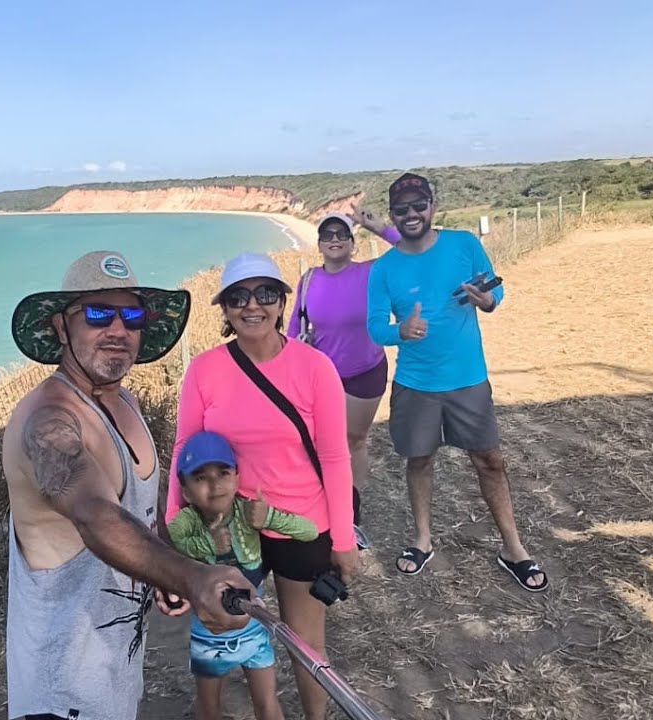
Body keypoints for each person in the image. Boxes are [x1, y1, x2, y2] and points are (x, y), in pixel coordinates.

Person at [3, 250, 258, 720]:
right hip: (60, 694)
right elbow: (95, 514)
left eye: (132, 316)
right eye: (98, 313)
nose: (117, 329)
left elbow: (136, 505)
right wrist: (193, 576)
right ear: (61, 327)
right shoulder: (49, 422)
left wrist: (162, 565)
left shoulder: (124, 402)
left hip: (114, 672)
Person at [167, 251, 357, 720]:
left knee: (305, 645)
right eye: (238, 296)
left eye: (265, 293)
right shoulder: (205, 370)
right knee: (220, 637)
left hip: (299, 525)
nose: (253, 305)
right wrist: (174, 534)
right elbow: (182, 449)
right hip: (225, 528)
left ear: (282, 303)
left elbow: (334, 456)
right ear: (225, 309)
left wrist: (344, 537)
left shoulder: (314, 367)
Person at [365, 173, 550, 593]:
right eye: (401, 209)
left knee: (490, 461)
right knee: (420, 460)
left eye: (418, 205)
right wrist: (401, 332)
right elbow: (375, 328)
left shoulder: (464, 244)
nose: (411, 214)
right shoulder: (383, 269)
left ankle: (513, 548)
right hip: (415, 383)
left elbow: (492, 290)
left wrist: (490, 301)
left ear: (432, 205)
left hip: (468, 379)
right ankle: (422, 541)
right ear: (392, 214)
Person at [167, 431, 319, 720]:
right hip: (209, 631)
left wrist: (269, 518)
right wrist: (207, 544)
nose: (214, 485)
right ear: (185, 491)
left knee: (267, 702)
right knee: (209, 707)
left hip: (254, 624)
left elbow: (309, 531)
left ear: (237, 478)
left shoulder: (248, 512)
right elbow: (174, 542)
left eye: (223, 473)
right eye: (200, 477)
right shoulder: (188, 521)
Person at [286, 212, 399, 550]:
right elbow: (293, 329)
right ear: (319, 244)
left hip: (365, 371)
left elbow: (407, 249)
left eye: (341, 234)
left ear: (352, 242)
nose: (334, 239)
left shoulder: (371, 272)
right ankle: (323, 503)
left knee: (354, 441)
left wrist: (379, 227)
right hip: (321, 377)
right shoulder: (308, 280)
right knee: (320, 443)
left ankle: (351, 508)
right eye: (327, 234)